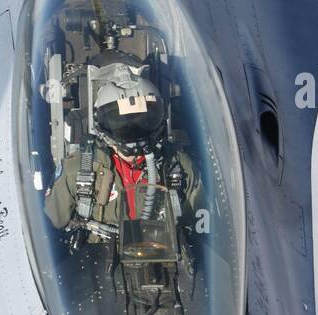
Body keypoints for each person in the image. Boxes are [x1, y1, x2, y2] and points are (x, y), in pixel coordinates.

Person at [44, 56, 201, 237]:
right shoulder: (77, 171)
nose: (134, 131)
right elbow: (50, 232)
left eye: (143, 120)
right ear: (101, 127)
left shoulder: (180, 168)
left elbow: (203, 230)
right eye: (121, 124)